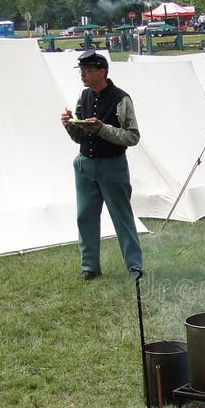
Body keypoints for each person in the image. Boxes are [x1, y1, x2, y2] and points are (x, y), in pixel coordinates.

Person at [61, 50, 143, 281]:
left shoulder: (121, 99)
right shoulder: (84, 96)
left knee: (122, 216)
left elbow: (132, 137)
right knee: (85, 216)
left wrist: (102, 129)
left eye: (87, 70)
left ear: (102, 71)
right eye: (82, 71)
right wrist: (70, 126)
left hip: (112, 166)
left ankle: (134, 266)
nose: (83, 75)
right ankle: (90, 267)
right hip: (85, 165)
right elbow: (80, 138)